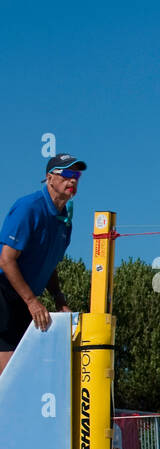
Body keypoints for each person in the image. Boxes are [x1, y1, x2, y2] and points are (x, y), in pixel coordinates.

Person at [0, 154, 84, 375]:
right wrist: (32, 301)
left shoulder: (65, 221)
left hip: (22, 297)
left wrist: (59, 299)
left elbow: (49, 264)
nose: (73, 180)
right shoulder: (29, 207)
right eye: (66, 174)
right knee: (9, 373)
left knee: (24, 370)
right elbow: (6, 260)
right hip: (3, 290)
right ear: (49, 178)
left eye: (76, 175)